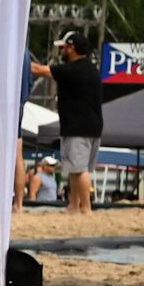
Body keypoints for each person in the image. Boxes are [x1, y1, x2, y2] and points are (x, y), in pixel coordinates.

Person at [33, 31, 102, 215]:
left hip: (77, 126)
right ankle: (73, 205)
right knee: (75, 168)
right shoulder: (92, 70)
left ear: (72, 48)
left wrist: (19, 59)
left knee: (80, 170)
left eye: (63, 47)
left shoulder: (72, 70)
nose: (61, 51)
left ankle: (86, 209)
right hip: (93, 127)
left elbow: (40, 70)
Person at [0, 50, 36, 213]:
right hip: (18, 105)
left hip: (0, 104)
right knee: (17, 155)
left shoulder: (2, 48)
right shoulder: (25, 53)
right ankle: (18, 204)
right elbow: (30, 81)